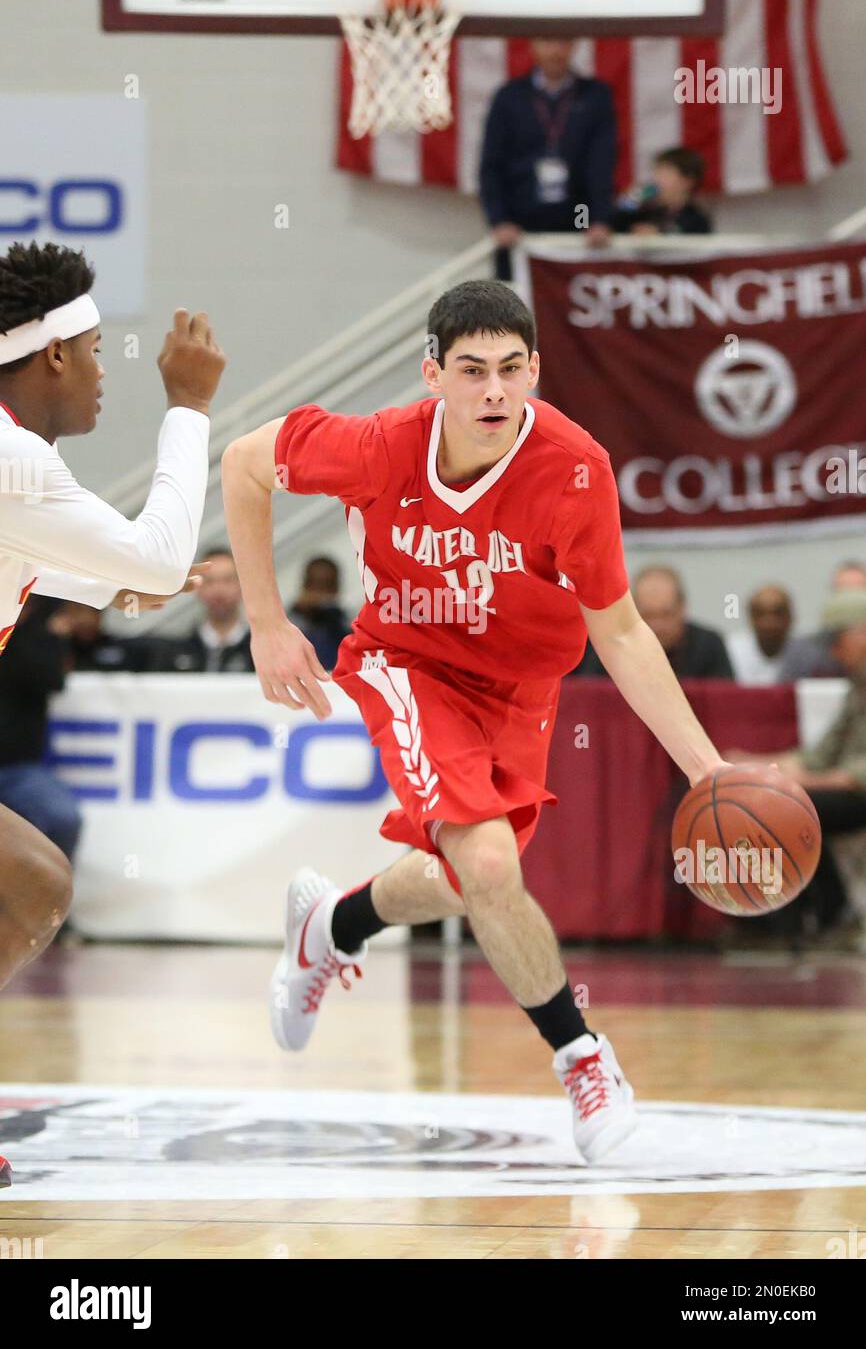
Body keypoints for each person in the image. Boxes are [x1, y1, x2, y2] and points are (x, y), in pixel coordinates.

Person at [222, 279, 730, 1164]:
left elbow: (619, 630)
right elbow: (243, 464)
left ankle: (331, 927)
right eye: (471, 371)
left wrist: (706, 769)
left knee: (471, 885)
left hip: (521, 689)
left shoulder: (576, 469)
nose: (493, 392)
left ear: (535, 369)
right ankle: (582, 1054)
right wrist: (267, 622)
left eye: (510, 370)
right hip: (405, 665)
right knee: (489, 861)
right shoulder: (380, 446)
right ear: (433, 375)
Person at [0, 239, 225, 991]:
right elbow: (158, 557)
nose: (103, 372)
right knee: (35, 884)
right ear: (55, 355)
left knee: (32, 884)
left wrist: (112, 587)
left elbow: (29, 557)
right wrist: (189, 408)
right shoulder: (17, 459)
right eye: (95, 351)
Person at [727, 588, 866, 944]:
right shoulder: (858, 686)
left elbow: (854, 775)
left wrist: (791, 780)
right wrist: (752, 765)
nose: (833, 652)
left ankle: (799, 923)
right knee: (776, 802)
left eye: (838, 640)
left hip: (856, 792)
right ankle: (806, 917)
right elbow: (818, 756)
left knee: (790, 809)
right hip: (849, 791)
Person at [480, 40, 616, 280]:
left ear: (573, 45)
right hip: (521, 219)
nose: (555, 50)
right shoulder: (510, 96)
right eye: (547, 42)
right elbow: (492, 165)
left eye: (562, 42)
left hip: (577, 215)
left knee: (574, 296)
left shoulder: (595, 95)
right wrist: (499, 219)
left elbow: (601, 164)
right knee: (515, 304)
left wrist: (598, 219)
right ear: (532, 46)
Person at [0, 596, 82, 864]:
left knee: (62, 817)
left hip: (17, 768)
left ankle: (51, 904)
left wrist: (38, 632)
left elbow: (53, 678)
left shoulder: (40, 628)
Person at [577, 566, 734, 679]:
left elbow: (723, 704)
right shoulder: (608, 646)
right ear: (632, 610)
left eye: (666, 614)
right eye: (648, 616)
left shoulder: (709, 644)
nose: (657, 626)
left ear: (682, 608)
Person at [154, 547, 254, 673]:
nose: (218, 590)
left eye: (227, 580)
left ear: (242, 585)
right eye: (209, 581)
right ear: (197, 587)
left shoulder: (259, 653)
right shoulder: (175, 654)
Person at [779, 561, 866, 680]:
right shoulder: (803, 651)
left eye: (858, 593)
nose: (851, 602)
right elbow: (786, 693)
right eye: (843, 593)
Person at [610, 147, 713, 237]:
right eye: (656, 173)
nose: (656, 180)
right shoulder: (644, 212)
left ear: (687, 181)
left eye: (665, 174)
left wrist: (660, 234)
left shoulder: (697, 219)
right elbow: (612, 225)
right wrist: (631, 199)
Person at [287, 556, 352, 672]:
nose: (321, 593)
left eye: (327, 585)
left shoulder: (342, 620)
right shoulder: (289, 620)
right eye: (315, 584)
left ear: (336, 587)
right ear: (306, 585)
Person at [727, 586, 793, 686]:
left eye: (777, 613)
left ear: (790, 616)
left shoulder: (805, 654)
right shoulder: (731, 650)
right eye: (760, 613)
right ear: (750, 617)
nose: (769, 622)